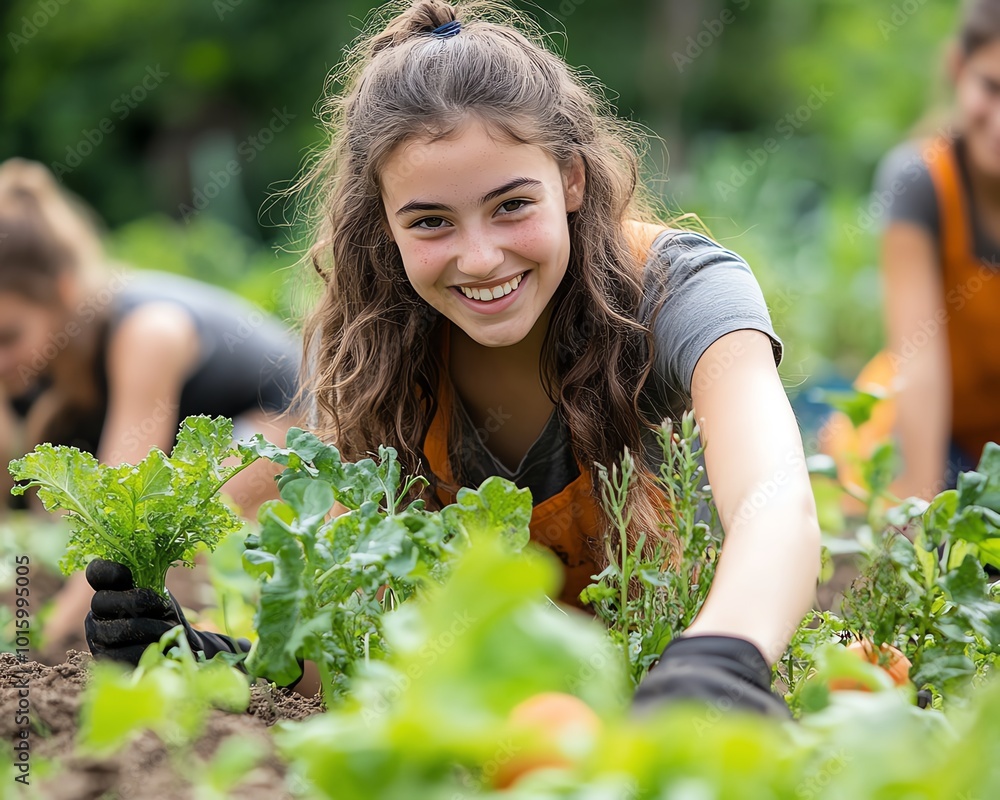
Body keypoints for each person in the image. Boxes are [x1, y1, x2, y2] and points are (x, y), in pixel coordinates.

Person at [83, 0, 821, 715]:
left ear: (572, 179)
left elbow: (774, 501)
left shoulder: (681, 292)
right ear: (386, 227)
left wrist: (723, 654)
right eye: (431, 221)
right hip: (497, 723)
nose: (479, 257)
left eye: (511, 205)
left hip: (680, 691)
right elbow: (375, 636)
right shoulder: (380, 348)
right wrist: (230, 661)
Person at [0, 157, 301, 655]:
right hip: (225, 446)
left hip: (295, 434)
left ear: (65, 293)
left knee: (168, 534)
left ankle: (219, 637)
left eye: (9, 336)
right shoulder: (43, 366)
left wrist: (46, 648)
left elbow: (123, 516)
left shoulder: (147, 330)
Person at [823, 0, 1000, 505]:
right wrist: (921, 516)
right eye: (991, 87)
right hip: (924, 430)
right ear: (957, 69)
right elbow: (920, 367)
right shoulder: (922, 183)